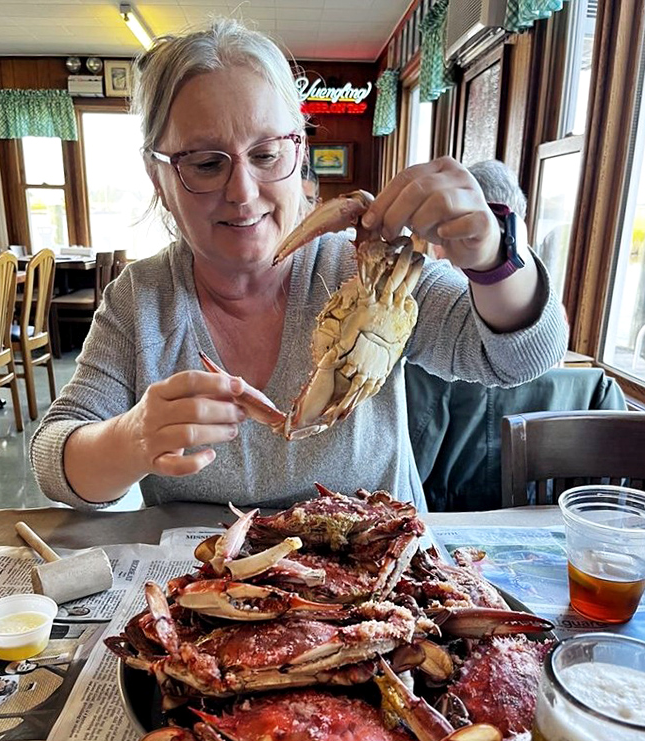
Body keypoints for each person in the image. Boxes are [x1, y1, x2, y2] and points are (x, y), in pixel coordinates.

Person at [30, 18, 568, 513]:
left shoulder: (369, 273)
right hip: (213, 598)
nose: (242, 192)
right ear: (159, 179)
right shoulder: (140, 300)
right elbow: (53, 458)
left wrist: (494, 257)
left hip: (382, 594)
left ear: (299, 153)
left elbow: (522, 358)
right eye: (206, 163)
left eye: (265, 155)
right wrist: (132, 440)